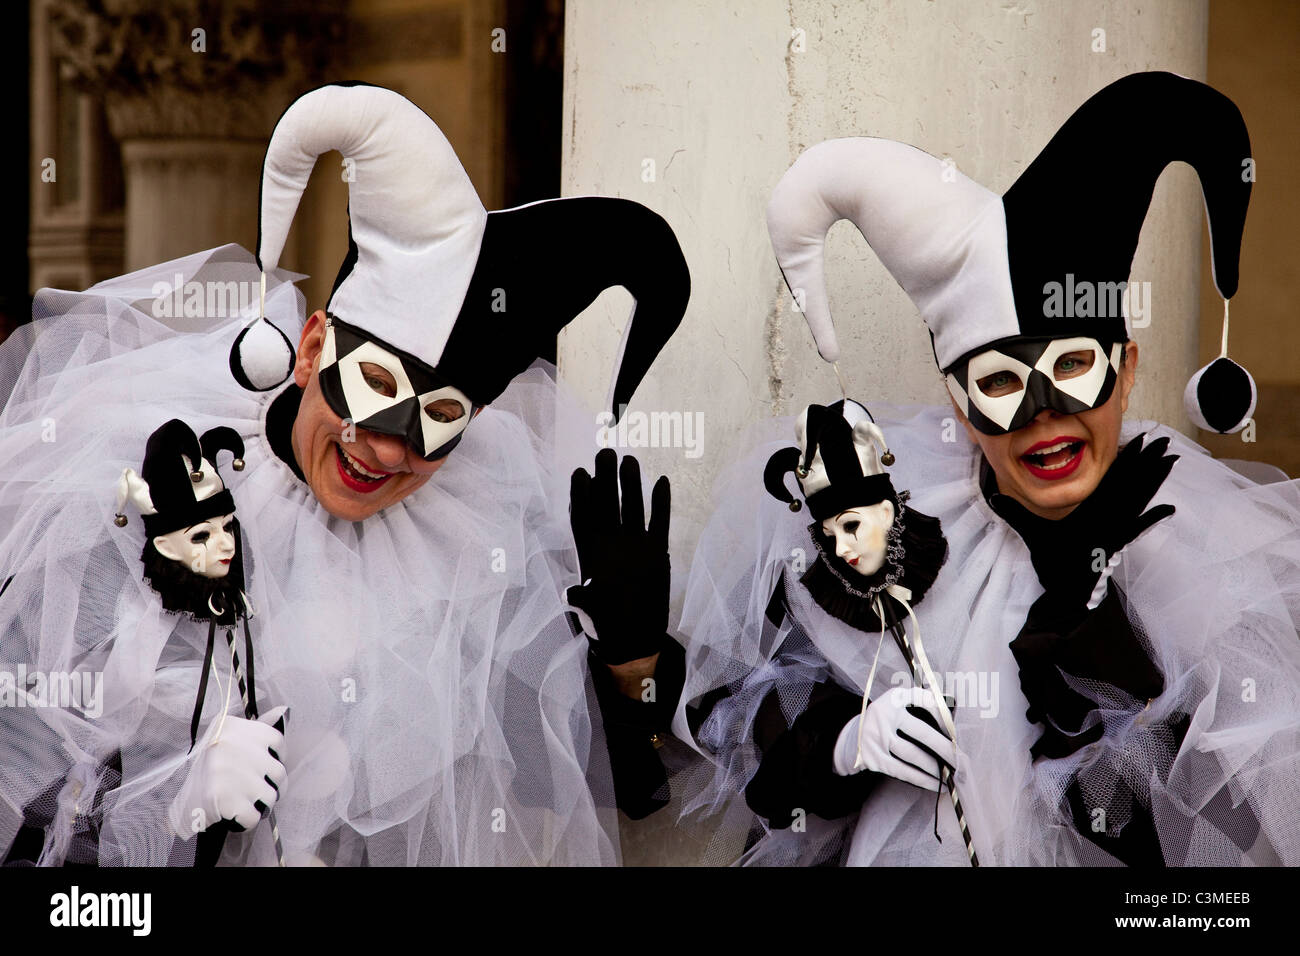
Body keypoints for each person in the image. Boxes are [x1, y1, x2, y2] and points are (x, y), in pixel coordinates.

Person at [596, 72, 1300, 866]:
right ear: (959, 404)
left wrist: (1084, 632)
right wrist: (845, 741)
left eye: (1071, 368)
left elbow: (1200, 855)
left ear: (1126, 368)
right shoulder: (892, 523)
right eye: (1000, 381)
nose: (1043, 415)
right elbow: (752, 734)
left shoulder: (1206, 565)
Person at [0, 82, 691, 866]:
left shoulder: (477, 549)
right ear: (312, 345)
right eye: (377, 390)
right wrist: (173, 802)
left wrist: (630, 664)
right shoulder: (151, 493)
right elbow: (26, 796)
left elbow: (614, 788)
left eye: (439, 419)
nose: (391, 451)